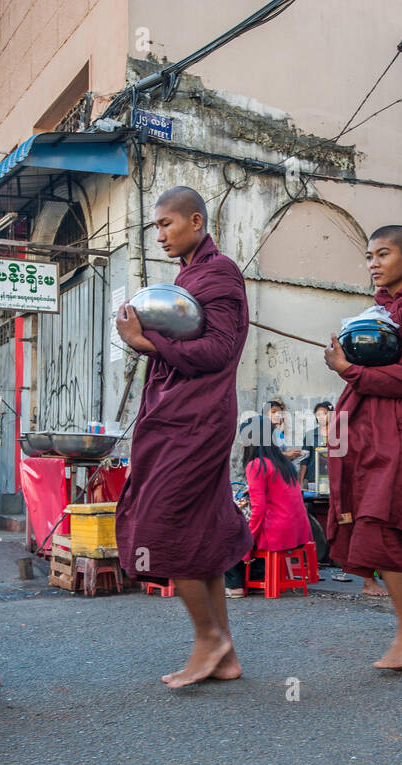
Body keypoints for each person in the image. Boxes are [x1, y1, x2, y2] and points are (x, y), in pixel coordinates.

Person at [116, 186, 251, 688]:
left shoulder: (219, 274)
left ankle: (207, 640)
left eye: (167, 223)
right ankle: (225, 651)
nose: (160, 234)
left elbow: (218, 350)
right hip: (178, 415)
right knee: (201, 529)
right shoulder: (189, 275)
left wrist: (146, 342)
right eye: (156, 226)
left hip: (197, 419)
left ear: (196, 221)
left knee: (164, 521)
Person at [323, 224, 402, 670]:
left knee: (384, 522)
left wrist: (346, 369)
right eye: (369, 256)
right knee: (399, 526)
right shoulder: (384, 309)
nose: (374, 264)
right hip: (380, 427)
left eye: (384, 254)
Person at [224, 424, 313, 597]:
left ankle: (235, 586)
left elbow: (259, 510)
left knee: (228, 534)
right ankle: (258, 578)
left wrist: (247, 545)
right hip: (298, 532)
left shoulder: (257, 465)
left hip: (277, 533)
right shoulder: (284, 462)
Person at [299, 400, 333, 488]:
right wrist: (301, 481)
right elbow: (305, 459)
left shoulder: (338, 435)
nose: (321, 417)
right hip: (313, 479)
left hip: (333, 479)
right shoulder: (310, 435)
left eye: (324, 414)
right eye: (318, 414)